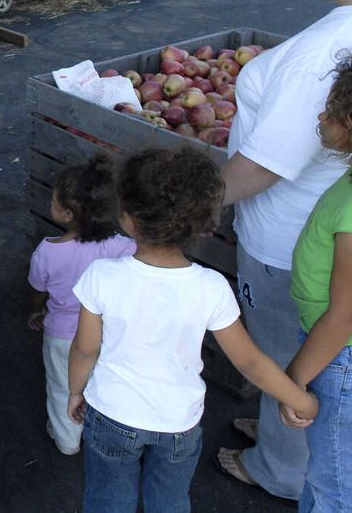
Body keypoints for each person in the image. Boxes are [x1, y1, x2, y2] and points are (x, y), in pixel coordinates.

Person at [215, 0, 352, 498]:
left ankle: (281, 468)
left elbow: (265, 166)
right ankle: (280, 433)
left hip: (292, 243)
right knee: (338, 351)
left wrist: (194, 205)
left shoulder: (320, 54)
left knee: (292, 356)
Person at [68, 149, 318, 512]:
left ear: (128, 219)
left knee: (109, 499)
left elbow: (85, 349)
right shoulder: (211, 287)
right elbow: (250, 362)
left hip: (112, 414)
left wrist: (77, 391)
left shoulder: (101, 277)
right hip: (179, 423)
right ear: (201, 226)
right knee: (169, 501)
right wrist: (299, 399)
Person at [282, 56, 352, 512]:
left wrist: (295, 378)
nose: (321, 117)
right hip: (350, 354)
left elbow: (344, 314)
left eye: (333, 112)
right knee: (331, 470)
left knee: (338, 480)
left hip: (346, 360)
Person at [27, 153, 136, 456]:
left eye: (54, 201)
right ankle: (102, 434)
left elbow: (38, 289)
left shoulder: (47, 253)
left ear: (67, 215)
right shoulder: (124, 248)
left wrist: (37, 310)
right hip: (108, 334)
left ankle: (67, 440)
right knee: (102, 386)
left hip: (62, 336)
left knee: (63, 387)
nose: (51, 204)